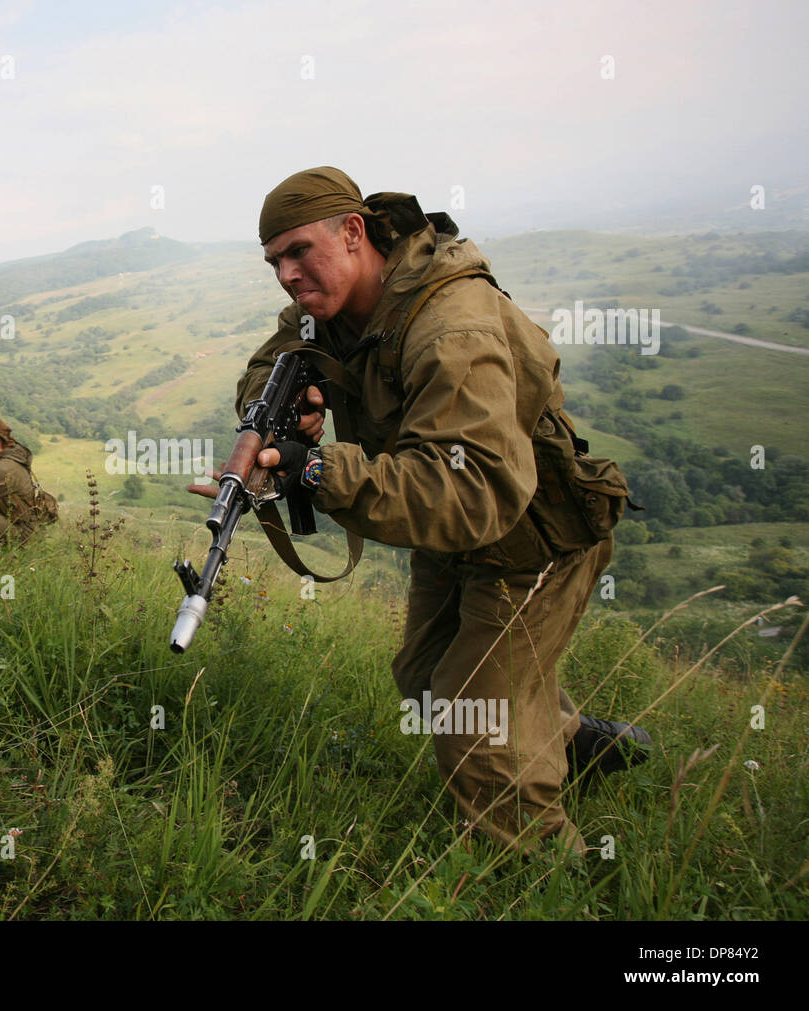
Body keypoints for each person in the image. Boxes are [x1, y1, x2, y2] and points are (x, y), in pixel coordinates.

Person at [230, 167, 650, 857]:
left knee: (473, 727)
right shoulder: (332, 311)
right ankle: (580, 745)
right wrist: (276, 404)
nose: (286, 274)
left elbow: (474, 489)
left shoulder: (450, 326)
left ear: (354, 232)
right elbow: (271, 359)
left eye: (299, 250)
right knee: (424, 677)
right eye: (274, 259)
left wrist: (316, 466)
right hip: (451, 539)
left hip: (533, 539)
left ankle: (555, 881)